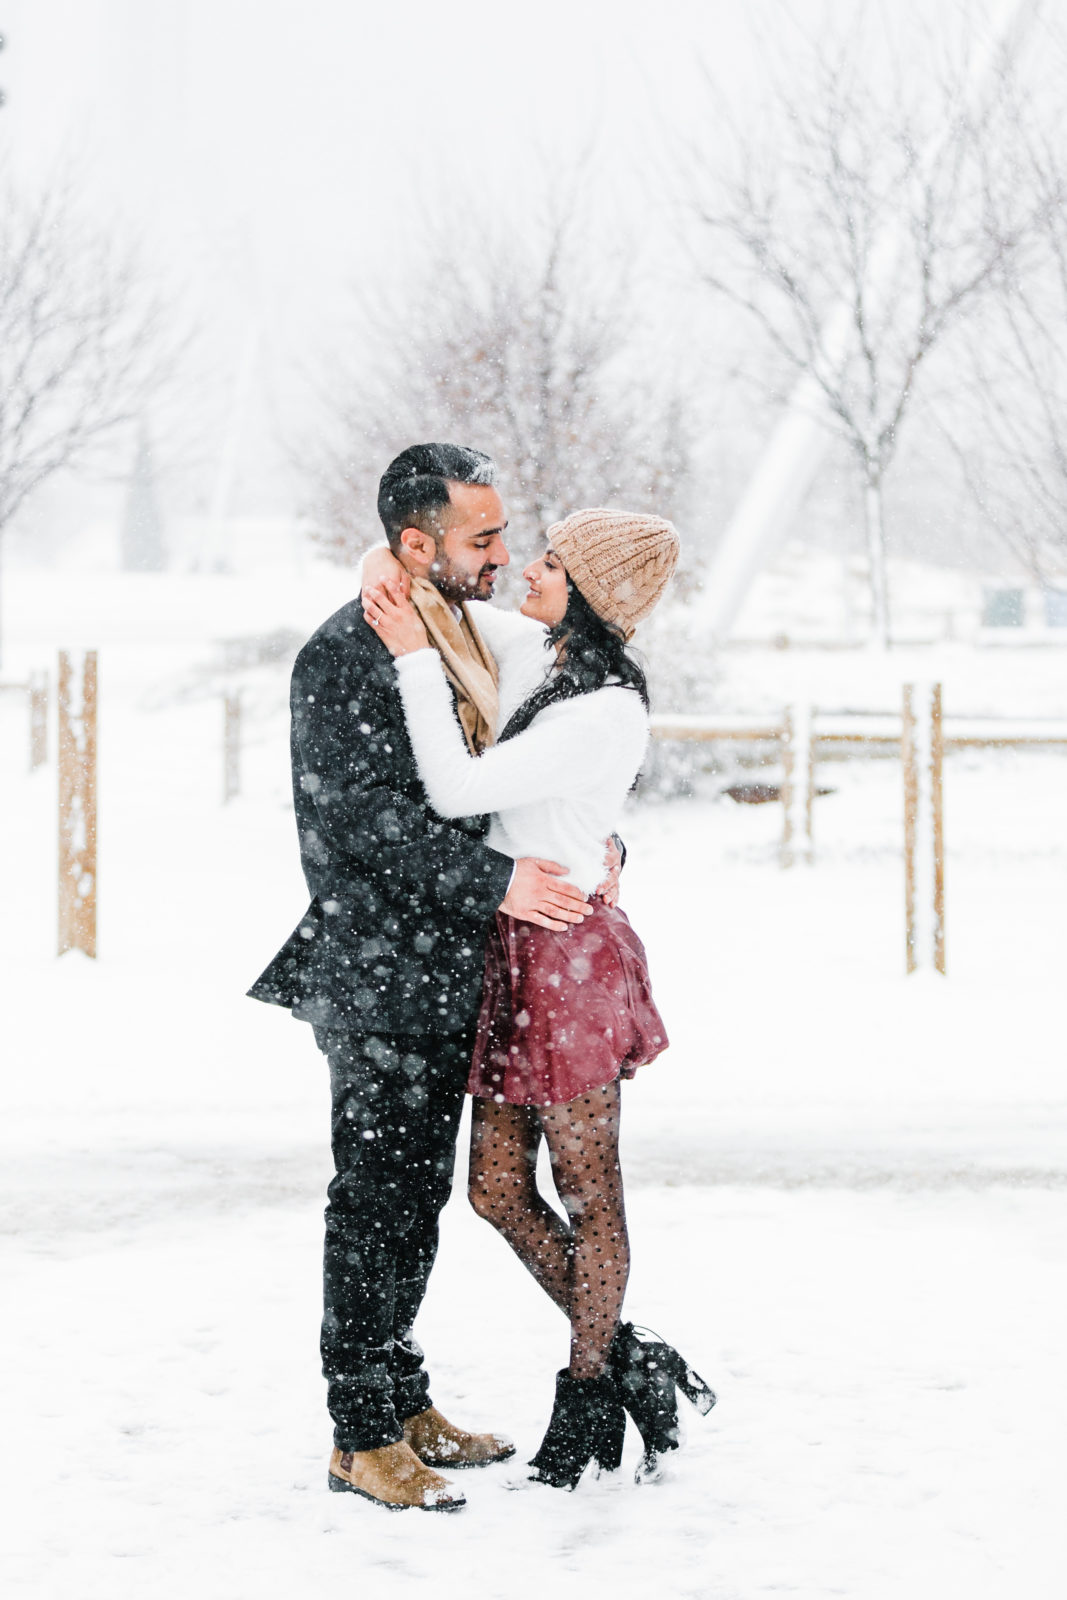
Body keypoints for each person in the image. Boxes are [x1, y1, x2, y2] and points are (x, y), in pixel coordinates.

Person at [248, 444, 611, 1513]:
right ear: (417, 545)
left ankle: (402, 1402)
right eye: (480, 538)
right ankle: (358, 1434)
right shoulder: (343, 655)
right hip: (376, 974)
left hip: (441, 971)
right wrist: (495, 882)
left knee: (414, 1205)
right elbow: (362, 823)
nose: (501, 553)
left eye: (503, 533)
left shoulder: (447, 628)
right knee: (373, 1203)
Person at [362, 506, 716, 1490]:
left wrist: (408, 661)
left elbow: (454, 785)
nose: (528, 569)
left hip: (567, 961)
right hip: (512, 951)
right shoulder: (549, 659)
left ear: (591, 591)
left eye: (551, 560)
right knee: (494, 1192)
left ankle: (586, 1393)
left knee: (587, 1192)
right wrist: (412, 584)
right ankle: (631, 1356)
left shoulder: (597, 708)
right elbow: (439, 595)